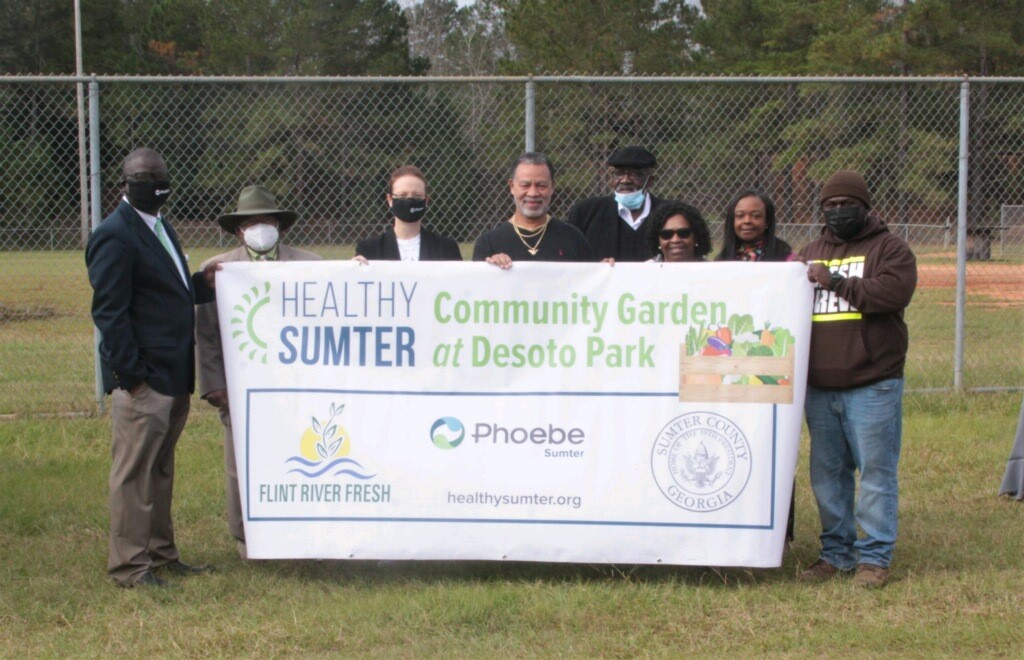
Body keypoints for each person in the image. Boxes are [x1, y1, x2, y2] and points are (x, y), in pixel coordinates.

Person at [85, 147, 211, 588]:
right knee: (134, 475)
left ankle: (160, 553)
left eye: (159, 174)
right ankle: (130, 567)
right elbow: (110, 314)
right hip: (144, 381)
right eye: (143, 175)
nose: (153, 181)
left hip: (174, 374)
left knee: (159, 470)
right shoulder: (115, 234)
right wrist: (132, 378)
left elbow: (167, 292)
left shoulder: (159, 226)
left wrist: (205, 284)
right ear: (125, 181)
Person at [797, 170, 917, 589]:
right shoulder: (810, 251)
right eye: (829, 206)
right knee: (828, 476)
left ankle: (874, 558)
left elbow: (892, 294)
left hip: (872, 382)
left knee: (876, 473)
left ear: (866, 207)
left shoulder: (890, 248)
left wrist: (834, 281)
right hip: (819, 386)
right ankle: (835, 555)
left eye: (846, 205)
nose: (837, 212)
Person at [194, 185, 321, 558]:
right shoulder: (215, 270)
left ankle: (304, 532)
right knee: (241, 461)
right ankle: (245, 536)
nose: (260, 227)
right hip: (242, 382)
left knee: (303, 456)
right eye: (251, 222)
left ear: (280, 226)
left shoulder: (312, 264)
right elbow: (206, 334)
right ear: (238, 230)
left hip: (297, 382)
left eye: (267, 221)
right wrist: (214, 385)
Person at [473, 152, 593, 268]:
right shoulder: (488, 244)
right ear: (512, 186)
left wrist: (608, 270)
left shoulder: (574, 239)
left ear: (552, 187)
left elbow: (592, 282)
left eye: (541, 186)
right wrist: (490, 268)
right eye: (525, 185)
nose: (533, 193)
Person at [568, 146, 661, 262]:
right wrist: (596, 269)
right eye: (619, 173)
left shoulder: (669, 215)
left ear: (650, 180)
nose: (625, 180)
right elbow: (570, 261)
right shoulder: (586, 213)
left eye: (635, 174)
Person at [354, 165, 463, 262]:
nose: (410, 200)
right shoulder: (369, 249)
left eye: (417, 195)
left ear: (426, 201)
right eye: (402, 195)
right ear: (390, 200)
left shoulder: (447, 248)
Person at [715, 189, 795, 262]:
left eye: (756, 216)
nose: (747, 221)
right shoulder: (721, 261)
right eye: (740, 216)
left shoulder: (786, 259)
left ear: (767, 221)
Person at [644, 200, 712, 263]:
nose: (675, 240)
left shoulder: (712, 271)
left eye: (684, 233)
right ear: (657, 240)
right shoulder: (645, 271)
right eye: (666, 234)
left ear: (696, 237)